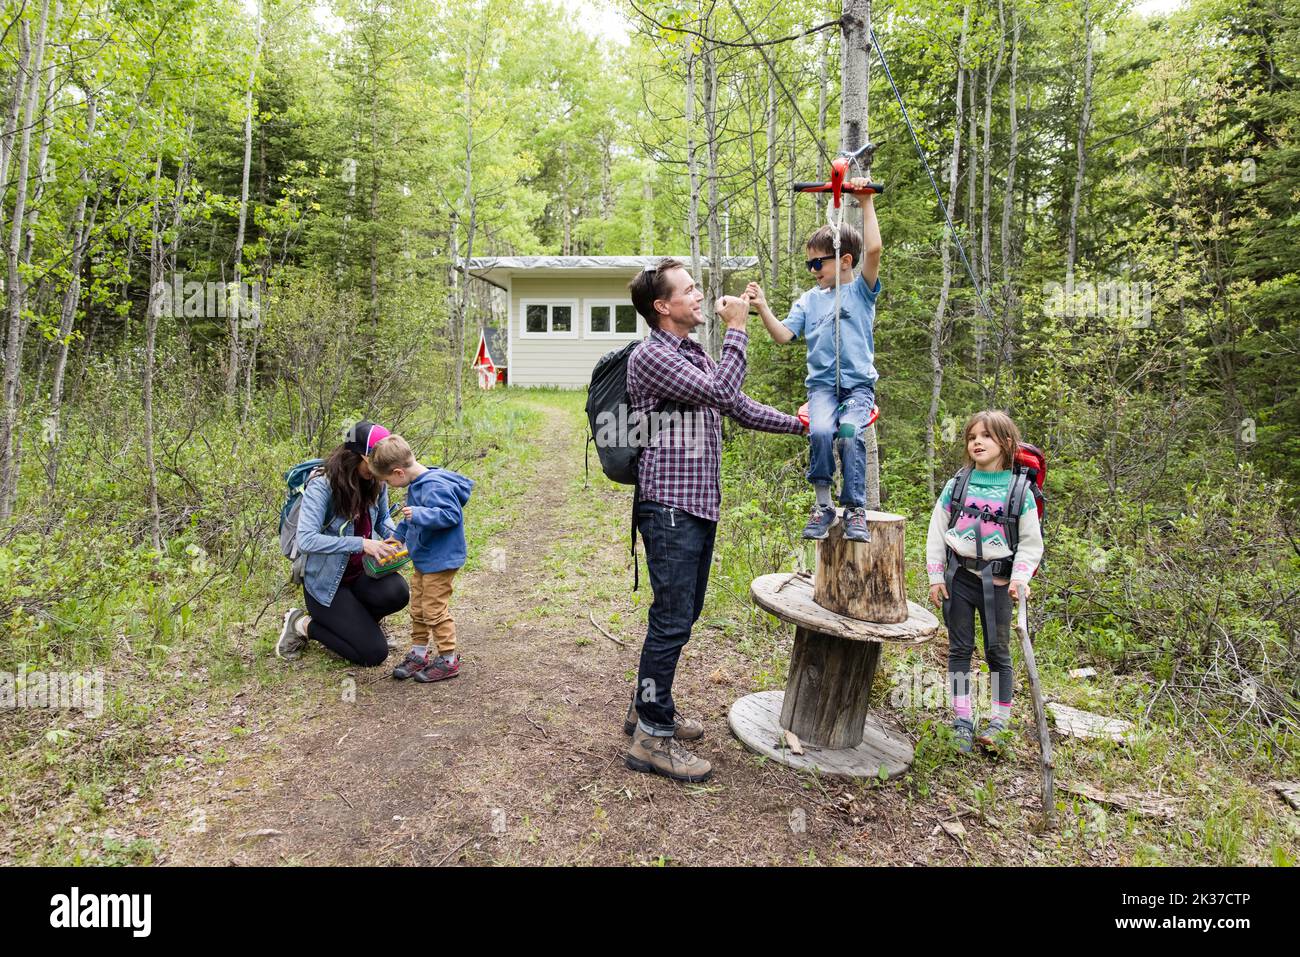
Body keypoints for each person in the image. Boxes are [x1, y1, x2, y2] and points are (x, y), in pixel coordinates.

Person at [622, 258, 805, 783]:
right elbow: (725, 391)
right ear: (663, 307)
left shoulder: (690, 354)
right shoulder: (650, 356)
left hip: (698, 505)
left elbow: (737, 406)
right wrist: (739, 330)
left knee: (681, 614)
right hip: (670, 507)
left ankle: (647, 704)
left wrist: (799, 424)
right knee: (673, 619)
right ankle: (652, 739)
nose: (701, 296)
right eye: (690, 289)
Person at [747, 181, 882, 542]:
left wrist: (865, 202)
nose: (812, 270)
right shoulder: (809, 301)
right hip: (822, 388)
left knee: (851, 433)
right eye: (809, 263)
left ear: (845, 260)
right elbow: (784, 335)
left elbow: (875, 248)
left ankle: (854, 509)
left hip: (857, 388)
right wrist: (762, 309)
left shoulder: (861, 291)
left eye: (817, 262)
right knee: (820, 431)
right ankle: (823, 505)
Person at [924, 410, 1044, 753]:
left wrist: (1020, 578)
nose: (977, 442)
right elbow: (937, 531)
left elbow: (1031, 541)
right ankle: (962, 720)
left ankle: (999, 723)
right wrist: (936, 576)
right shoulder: (956, 485)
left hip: (999, 582)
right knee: (959, 649)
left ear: (1006, 443)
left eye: (986, 436)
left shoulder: (1020, 491)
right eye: (972, 437)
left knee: (997, 652)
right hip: (958, 577)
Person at [274, 420, 409, 667]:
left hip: (362, 574)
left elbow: (383, 520)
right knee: (373, 654)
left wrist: (401, 537)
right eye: (374, 461)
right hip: (327, 586)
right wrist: (361, 544)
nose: (380, 470)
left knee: (398, 592)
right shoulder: (322, 485)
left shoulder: (375, 481)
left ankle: (360, 628)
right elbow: (306, 539)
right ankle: (301, 625)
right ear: (356, 456)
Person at [368, 434, 474, 684]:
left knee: (434, 610)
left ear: (398, 473)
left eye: (386, 481)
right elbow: (409, 519)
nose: (387, 485)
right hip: (424, 559)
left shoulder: (434, 485)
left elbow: (450, 515)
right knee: (418, 608)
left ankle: (448, 660)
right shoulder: (416, 484)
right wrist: (397, 538)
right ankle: (418, 654)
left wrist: (420, 514)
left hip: (442, 560)